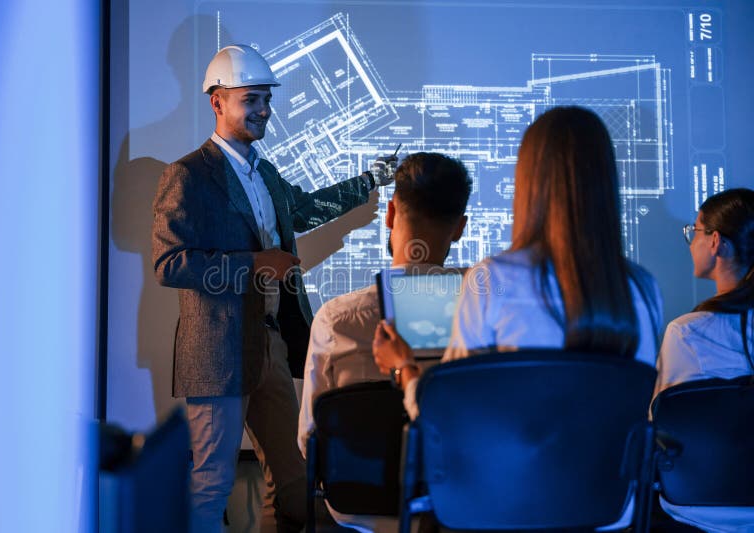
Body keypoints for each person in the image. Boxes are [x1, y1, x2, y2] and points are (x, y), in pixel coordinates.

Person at [372, 106, 663, 528]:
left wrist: (403, 369)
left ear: (528, 184)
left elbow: (447, 422)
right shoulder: (641, 288)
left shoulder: (490, 280)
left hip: (501, 507)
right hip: (607, 510)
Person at [152, 44, 397, 533]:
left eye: (266, 98)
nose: (264, 109)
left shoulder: (264, 172)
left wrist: (371, 179)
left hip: (271, 344)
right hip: (217, 352)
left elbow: (304, 210)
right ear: (217, 102)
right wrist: (254, 264)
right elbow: (169, 263)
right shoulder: (187, 175)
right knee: (211, 482)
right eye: (251, 99)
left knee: (291, 479)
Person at [297, 152, 471, 532]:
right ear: (460, 228)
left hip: (359, 506)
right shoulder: (482, 314)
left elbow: (309, 442)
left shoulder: (335, 319)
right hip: (456, 504)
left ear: (390, 213)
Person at [652, 188, 754, 533]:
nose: (690, 242)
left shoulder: (687, 334)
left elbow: (660, 428)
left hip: (698, 514)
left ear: (716, 243)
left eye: (694, 232)